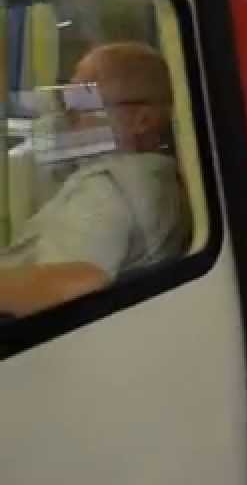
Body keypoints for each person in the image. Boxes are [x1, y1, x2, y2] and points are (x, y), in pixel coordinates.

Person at [0, 42, 191, 317]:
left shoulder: (106, 190)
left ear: (142, 120)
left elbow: (78, 281)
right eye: (66, 100)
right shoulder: (157, 177)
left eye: (83, 101)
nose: (66, 116)